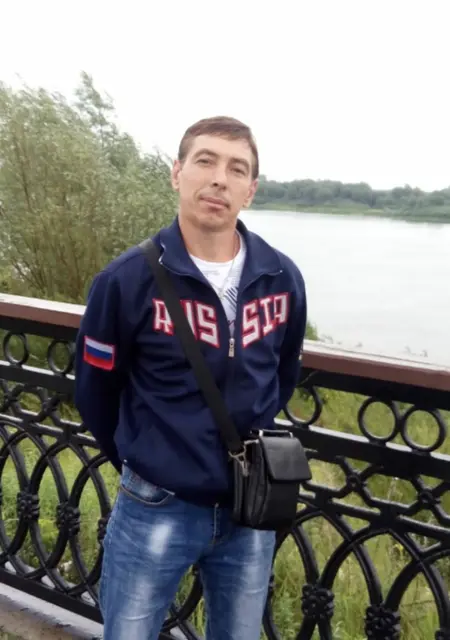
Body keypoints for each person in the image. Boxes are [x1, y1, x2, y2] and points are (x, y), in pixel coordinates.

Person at [74, 115, 307, 640]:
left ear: (250, 190)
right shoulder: (126, 280)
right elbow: (94, 391)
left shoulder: (280, 278)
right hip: (155, 504)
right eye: (205, 161)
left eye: (236, 168)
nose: (219, 178)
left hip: (250, 508)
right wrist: (148, 457)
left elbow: (283, 374)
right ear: (177, 173)